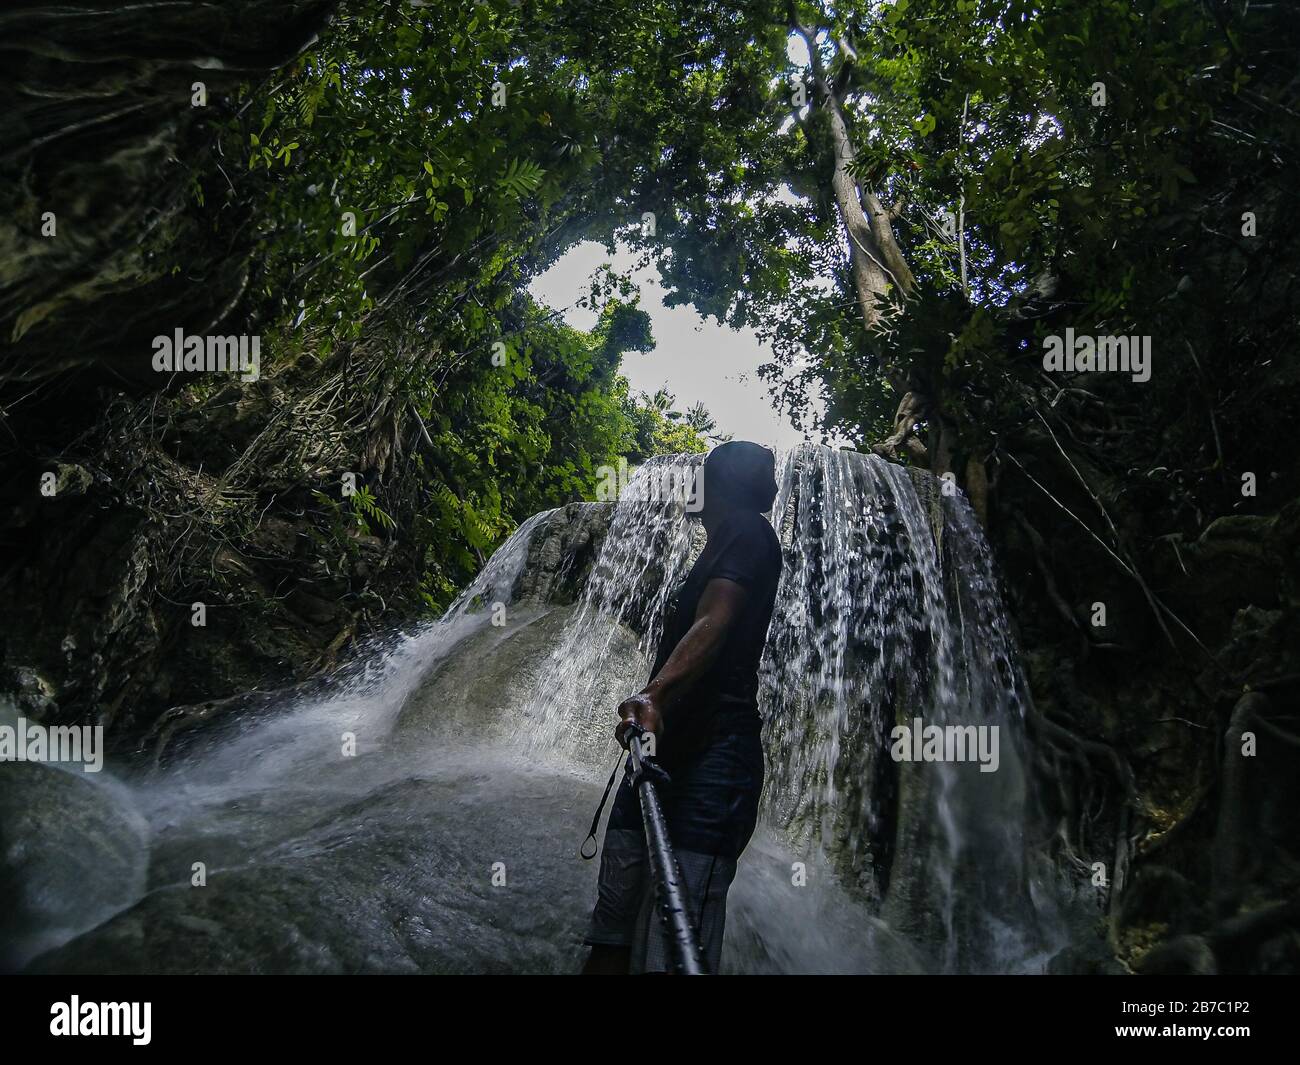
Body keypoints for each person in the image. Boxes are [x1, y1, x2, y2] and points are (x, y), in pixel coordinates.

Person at [581, 440, 783, 974]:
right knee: (617, 926)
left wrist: (654, 695)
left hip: (714, 760)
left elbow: (718, 616)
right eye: (766, 467)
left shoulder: (747, 528)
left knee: (670, 942)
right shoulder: (730, 538)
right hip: (664, 752)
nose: (775, 475)